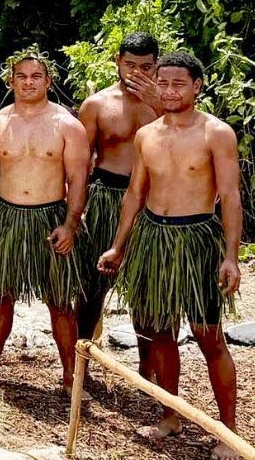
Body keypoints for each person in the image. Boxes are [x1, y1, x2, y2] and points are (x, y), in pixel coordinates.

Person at [98, 52, 242, 459]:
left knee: (208, 335)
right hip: (152, 237)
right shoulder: (149, 134)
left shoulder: (217, 133)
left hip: (197, 238)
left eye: (179, 84)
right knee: (159, 331)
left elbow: (230, 197)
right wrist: (118, 245)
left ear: (197, 86)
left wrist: (230, 256)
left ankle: (228, 431)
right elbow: (134, 194)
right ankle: (170, 415)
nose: (169, 91)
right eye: (163, 83)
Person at [0, 48, 88, 393]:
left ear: (48, 81)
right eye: (21, 76)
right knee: (0, 294)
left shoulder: (68, 125)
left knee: (60, 300)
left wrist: (71, 224)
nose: (28, 82)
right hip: (7, 215)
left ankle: (70, 377)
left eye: (36, 76)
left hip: (52, 217)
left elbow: (78, 179)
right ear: (11, 82)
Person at [75, 32, 160, 373]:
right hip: (105, 197)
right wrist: (74, 213)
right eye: (130, 65)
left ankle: (147, 368)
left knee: (145, 291)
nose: (138, 73)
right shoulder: (97, 105)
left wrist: (158, 102)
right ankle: (80, 363)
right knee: (91, 287)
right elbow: (80, 165)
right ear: (117, 61)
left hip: (152, 204)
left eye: (146, 67)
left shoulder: (167, 104)